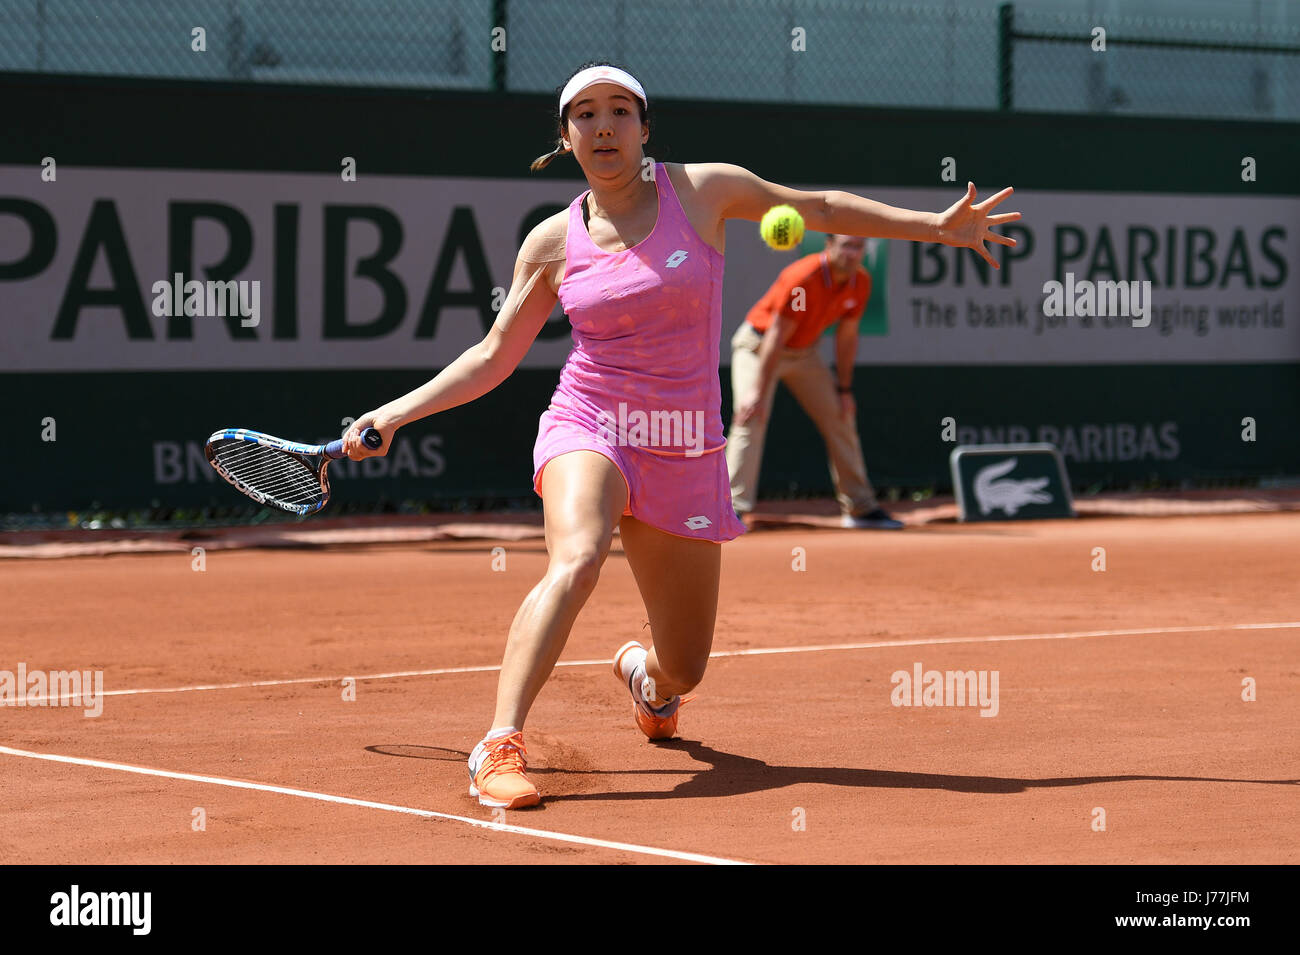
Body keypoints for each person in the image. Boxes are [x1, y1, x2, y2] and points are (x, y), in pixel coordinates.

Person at [343, 60, 1020, 809]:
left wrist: (931, 225)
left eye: (619, 112)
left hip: (685, 447)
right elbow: (493, 354)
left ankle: (644, 677)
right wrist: (393, 413)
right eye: (586, 115)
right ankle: (499, 742)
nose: (603, 127)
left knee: (686, 666)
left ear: (643, 127)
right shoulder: (550, 241)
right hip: (590, 421)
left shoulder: (703, 191)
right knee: (577, 558)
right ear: (566, 137)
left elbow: (816, 205)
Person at [727, 233, 902, 529]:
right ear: (829, 245)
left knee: (840, 416)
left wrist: (844, 390)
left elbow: (847, 338)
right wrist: (758, 391)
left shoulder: (861, 282)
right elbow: (776, 336)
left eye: (858, 247)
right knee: (751, 416)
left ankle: (860, 508)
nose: (852, 253)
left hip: (804, 354)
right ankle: (732, 508)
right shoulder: (803, 279)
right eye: (846, 245)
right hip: (759, 348)